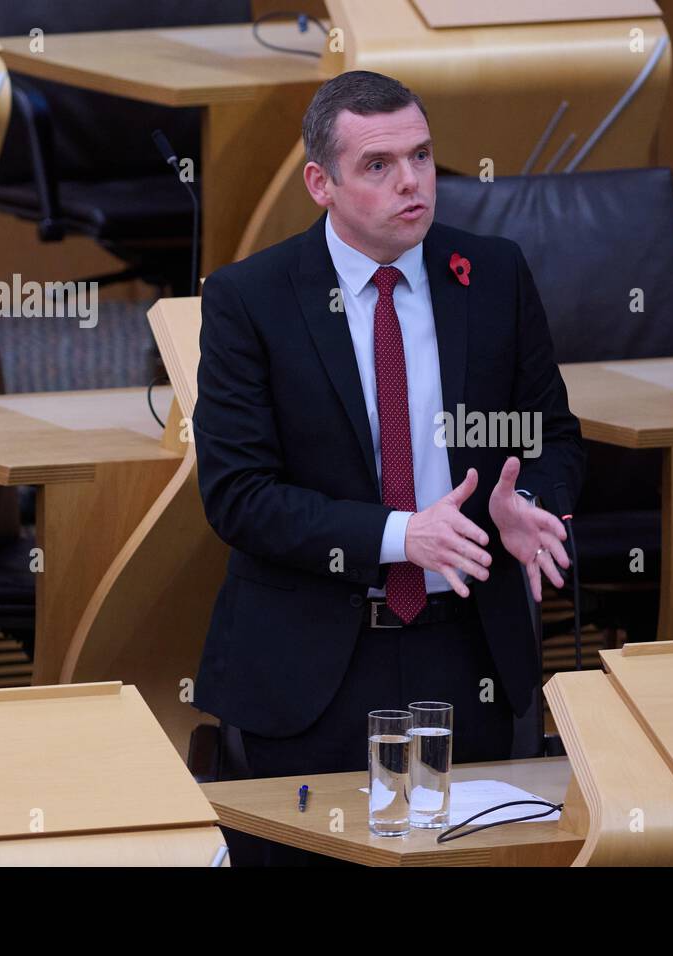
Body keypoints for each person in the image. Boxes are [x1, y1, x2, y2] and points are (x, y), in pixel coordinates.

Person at [192, 70, 585, 864]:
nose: (411, 182)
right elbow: (239, 497)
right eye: (378, 165)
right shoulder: (250, 300)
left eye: (422, 156)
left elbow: (552, 433)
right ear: (321, 183)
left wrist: (528, 502)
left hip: (467, 647)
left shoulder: (493, 276)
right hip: (316, 665)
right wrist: (402, 534)